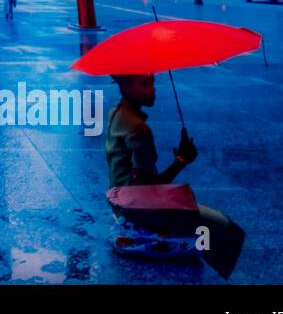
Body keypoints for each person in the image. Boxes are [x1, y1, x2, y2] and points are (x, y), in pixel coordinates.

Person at [105, 74, 246, 279]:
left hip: (118, 201)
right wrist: (181, 161)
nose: (153, 89)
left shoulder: (115, 112)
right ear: (125, 86)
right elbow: (145, 190)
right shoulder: (138, 129)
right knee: (228, 230)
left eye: (152, 82)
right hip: (137, 210)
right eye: (144, 84)